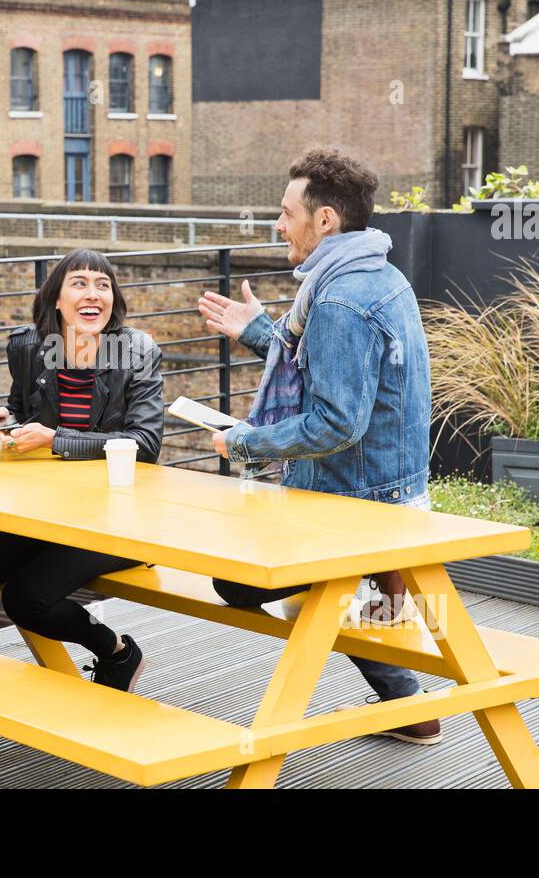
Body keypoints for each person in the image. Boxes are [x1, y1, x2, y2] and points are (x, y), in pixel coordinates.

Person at [196, 146, 441, 746]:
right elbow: (327, 372)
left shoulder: (337, 300)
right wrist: (258, 330)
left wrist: (246, 442)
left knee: (242, 584)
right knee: (297, 590)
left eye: (286, 213)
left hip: (352, 500)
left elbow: (335, 421)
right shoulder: (378, 275)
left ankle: (405, 694)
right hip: (392, 487)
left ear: (324, 219)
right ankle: (406, 697)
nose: (278, 225)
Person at [0, 249, 163, 692]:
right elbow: (19, 410)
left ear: (114, 299)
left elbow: (145, 447)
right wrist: (7, 425)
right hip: (48, 511)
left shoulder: (137, 352)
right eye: (79, 283)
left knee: (26, 599)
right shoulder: (30, 348)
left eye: (102, 285)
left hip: (118, 519)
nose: (93, 294)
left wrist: (52, 439)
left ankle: (117, 651)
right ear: (57, 300)